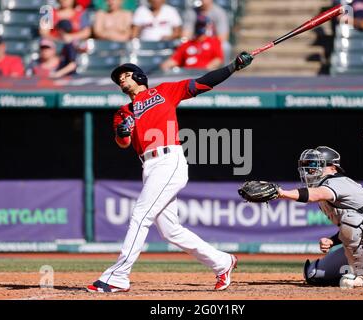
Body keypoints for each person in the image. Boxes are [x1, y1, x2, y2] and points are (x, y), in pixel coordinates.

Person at [86, 51, 254, 293]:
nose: (121, 79)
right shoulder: (123, 112)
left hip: (169, 159)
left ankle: (118, 277)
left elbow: (202, 83)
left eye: (125, 75)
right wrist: (123, 131)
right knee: (170, 231)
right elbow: (122, 143)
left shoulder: (163, 91)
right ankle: (222, 262)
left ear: (139, 76)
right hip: (149, 165)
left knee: (140, 216)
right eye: (118, 78)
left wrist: (233, 67)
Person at [267, 146, 363, 287]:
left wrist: (281, 193)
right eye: (307, 165)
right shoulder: (325, 189)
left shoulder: (338, 181)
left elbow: (314, 195)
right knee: (313, 274)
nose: (309, 170)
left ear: (333, 167)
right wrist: (333, 240)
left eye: (315, 165)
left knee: (350, 220)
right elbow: (358, 227)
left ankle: (361, 277)